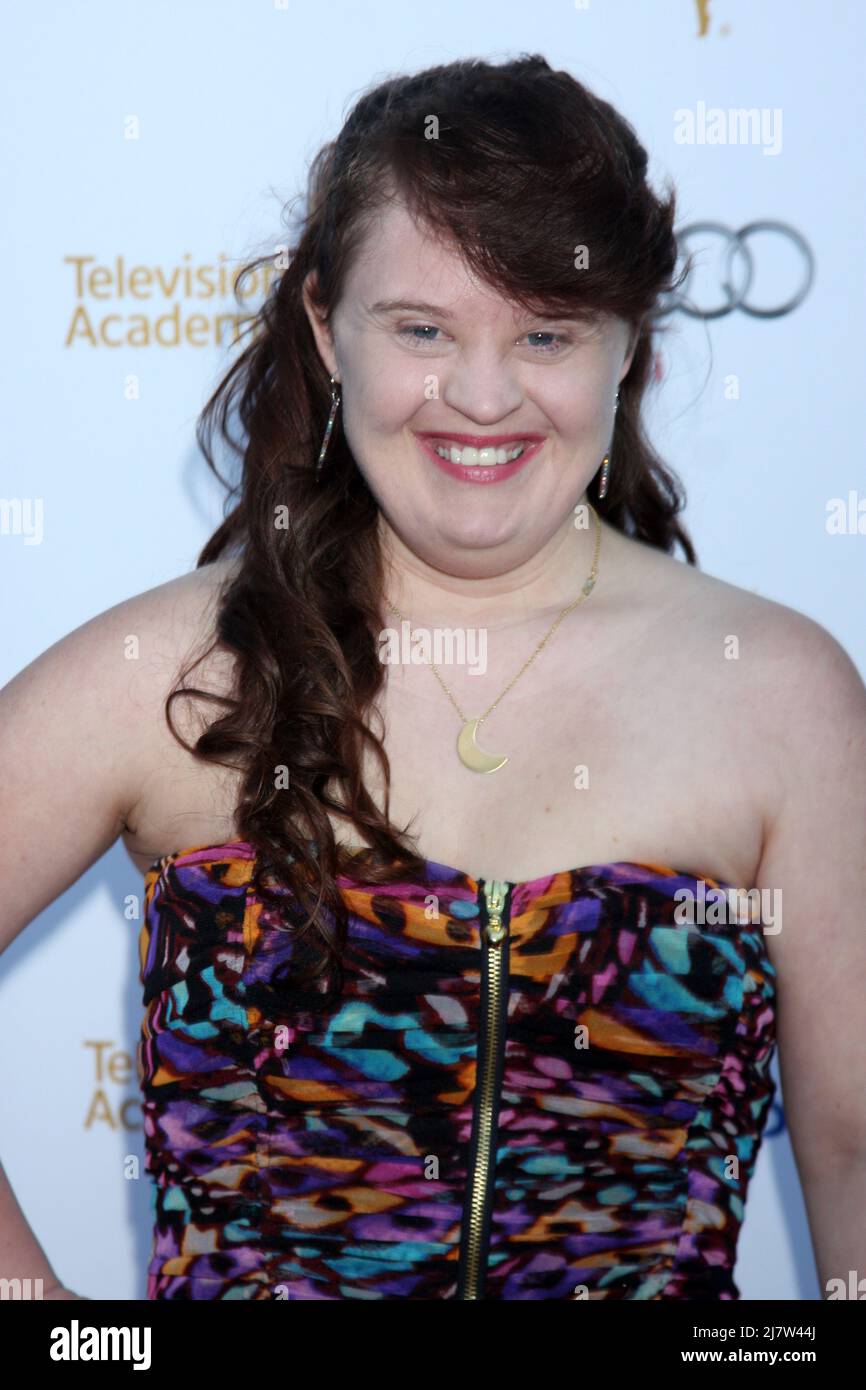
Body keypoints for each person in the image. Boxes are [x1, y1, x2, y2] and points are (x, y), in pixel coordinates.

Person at [2, 54, 864, 1302]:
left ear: (630, 348)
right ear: (323, 324)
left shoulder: (782, 694)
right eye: (421, 329)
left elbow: (847, 1149)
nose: (479, 394)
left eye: (545, 333)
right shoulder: (170, 671)